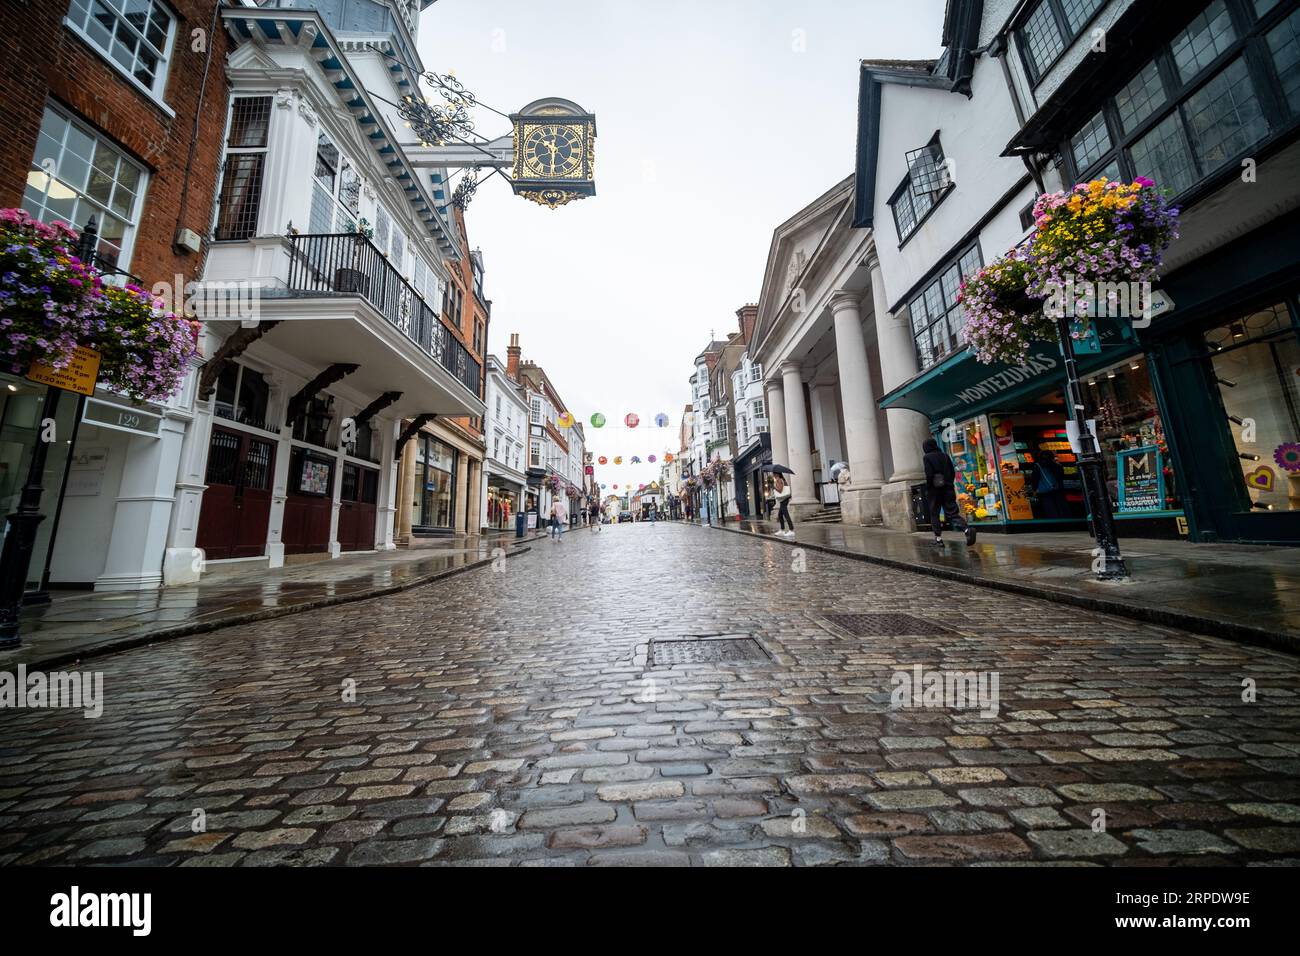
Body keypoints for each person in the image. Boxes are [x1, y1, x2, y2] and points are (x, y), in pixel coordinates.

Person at [922, 437, 976, 547]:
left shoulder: (927, 457)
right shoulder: (945, 455)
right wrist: (948, 484)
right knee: (952, 513)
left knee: (934, 514)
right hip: (948, 489)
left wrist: (928, 488)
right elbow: (952, 472)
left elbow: (929, 475)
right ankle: (966, 529)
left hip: (935, 490)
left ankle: (938, 540)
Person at [1033, 448, 1070, 519]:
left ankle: (1054, 522)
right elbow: (1062, 476)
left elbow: (1035, 479)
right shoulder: (1057, 466)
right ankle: (1064, 521)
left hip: (1045, 491)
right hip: (1058, 489)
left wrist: (1034, 490)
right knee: (1060, 506)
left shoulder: (1038, 466)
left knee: (1049, 508)